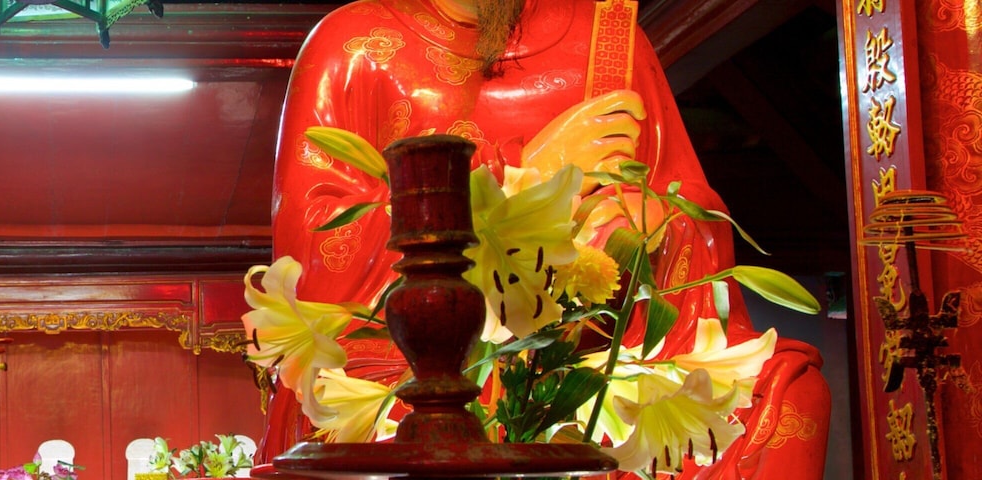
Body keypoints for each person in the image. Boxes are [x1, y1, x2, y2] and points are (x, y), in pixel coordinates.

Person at [266, 0, 829, 477]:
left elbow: (692, 212)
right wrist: (528, 173)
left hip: (593, 346)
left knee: (793, 393)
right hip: (419, 366)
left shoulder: (607, 37)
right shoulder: (353, 43)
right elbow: (316, 249)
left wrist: (640, 228)